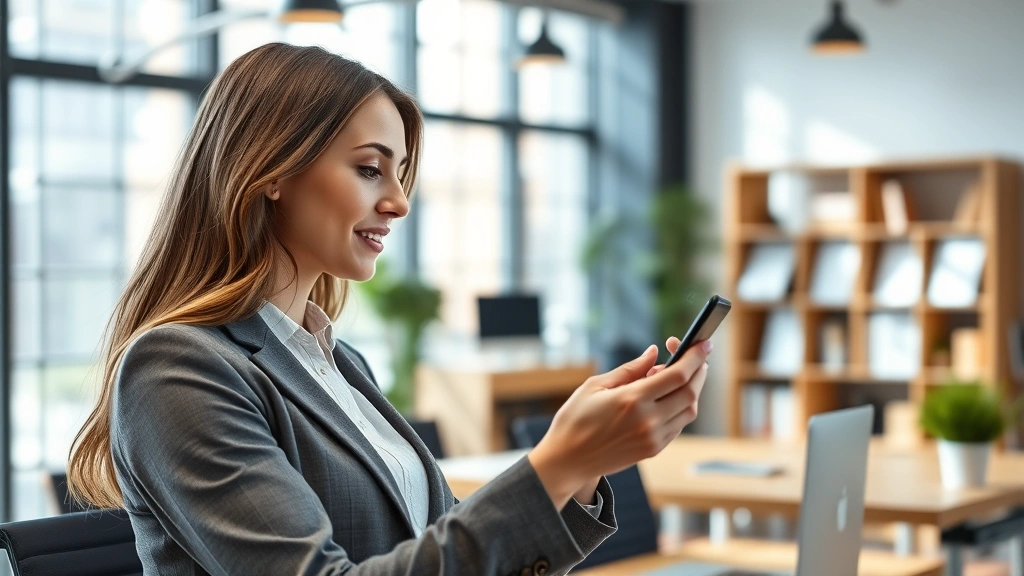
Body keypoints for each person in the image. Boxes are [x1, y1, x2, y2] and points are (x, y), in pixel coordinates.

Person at [67, 43, 712, 576]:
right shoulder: (177, 368)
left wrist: (583, 461)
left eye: (401, 174)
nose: (400, 202)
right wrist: (558, 463)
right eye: (371, 170)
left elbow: (438, 542)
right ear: (273, 170)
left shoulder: (340, 364)